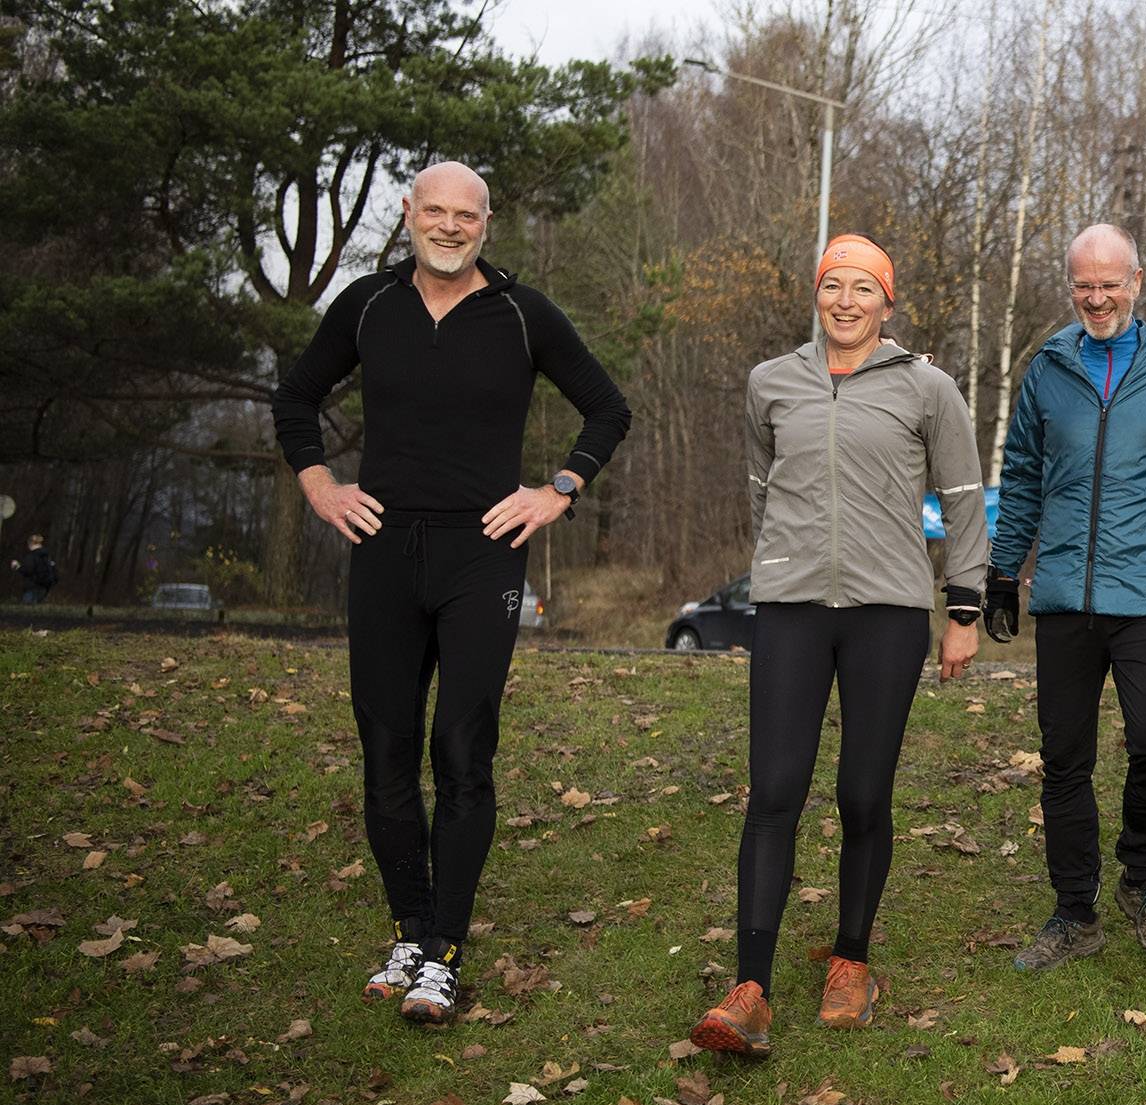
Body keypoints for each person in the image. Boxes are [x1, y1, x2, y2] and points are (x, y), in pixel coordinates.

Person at [269, 161, 632, 1023]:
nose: (448, 226)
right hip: (384, 552)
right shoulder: (368, 305)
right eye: (433, 211)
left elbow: (607, 408)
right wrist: (320, 487)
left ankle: (445, 953)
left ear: (486, 223)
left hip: (483, 555)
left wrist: (558, 491)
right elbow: (295, 397)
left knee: (462, 751)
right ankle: (409, 930)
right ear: (408, 214)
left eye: (465, 215)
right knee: (386, 747)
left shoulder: (523, 313)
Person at [688, 235, 986, 1054]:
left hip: (888, 611)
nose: (846, 302)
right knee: (774, 791)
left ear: (888, 302)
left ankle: (852, 960)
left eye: (863, 288)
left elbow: (964, 500)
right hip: (791, 609)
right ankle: (750, 989)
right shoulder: (771, 382)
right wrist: (781, 563)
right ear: (816, 295)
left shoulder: (927, 388)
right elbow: (763, 487)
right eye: (832, 286)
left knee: (862, 793)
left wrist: (964, 608)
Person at [984, 223, 1146, 971]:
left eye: (1109, 284)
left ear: (1136, 281)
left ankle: (1142, 880)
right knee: (1064, 761)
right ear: (1070, 287)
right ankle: (1075, 912)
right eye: (1083, 285)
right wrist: (1002, 572)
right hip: (1064, 597)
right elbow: (1023, 476)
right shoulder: (1047, 369)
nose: (1097, 299)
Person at [13, 535, 58, 603]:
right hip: (45, 587)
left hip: (32, 587)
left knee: (27, 607)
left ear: (30, 543)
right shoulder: (47, 556)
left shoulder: (31, 556)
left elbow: (28, 571)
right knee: (39, 607)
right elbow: (53, 570)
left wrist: (17, 566)